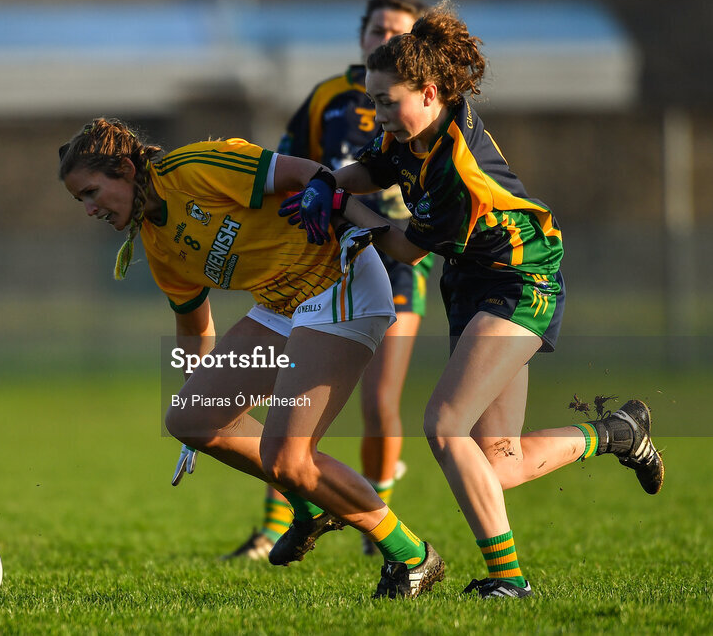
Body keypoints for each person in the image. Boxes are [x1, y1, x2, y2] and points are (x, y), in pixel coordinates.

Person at [280, 1, 665, 598]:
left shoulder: (454, 168)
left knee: (443, 424)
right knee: (500, 462)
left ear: (429, 92)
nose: (377, 113)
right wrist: (330, 180)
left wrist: (340, 210)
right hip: (472, 284)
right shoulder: (413, 133)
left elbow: (405, 249)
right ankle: (616, 433)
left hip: (520, 282)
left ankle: (510, 581)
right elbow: (373, 169)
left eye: (387, 101)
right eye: (372, 99)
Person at [59, 117, 446, 599]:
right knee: (190, 418)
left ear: (124, 168)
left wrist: (324, 202)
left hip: (340, 281)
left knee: (289, 460)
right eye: (82, 200)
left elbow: (309, 173)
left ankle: (412, 556)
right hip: (282, 306)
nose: (90, 208)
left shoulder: (193, 168)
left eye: (92, 192)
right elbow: (194, 326)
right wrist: (199, 403)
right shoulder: (157, 244)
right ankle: (308, 508)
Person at [224, 0, 434, 561]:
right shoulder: (329, 97)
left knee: (380, 400)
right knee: (279, 391)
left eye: (399, 32)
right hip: (320, 254)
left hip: (393, 251)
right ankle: (275, 525)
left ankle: (376, 523)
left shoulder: (427, 103)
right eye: (377, 31)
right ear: (362, 36)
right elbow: (288, 163)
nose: (385, 39)